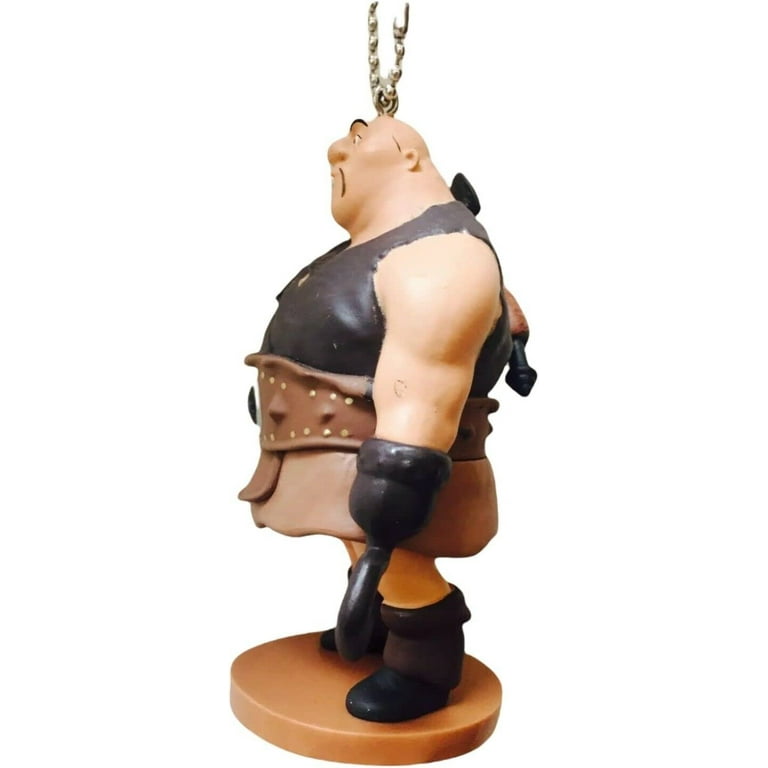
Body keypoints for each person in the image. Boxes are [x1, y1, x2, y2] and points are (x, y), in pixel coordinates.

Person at [239, 114, 534, 723]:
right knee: (356, 542)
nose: (336, 150)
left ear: (410, 158)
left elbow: (423, 388)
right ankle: (378, 618)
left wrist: (392, 490)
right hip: (329, 449)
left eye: (358, 137)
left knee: (396, 554)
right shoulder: (388, 243)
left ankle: (425, 660)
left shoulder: (440, 255)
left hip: (376, 450)